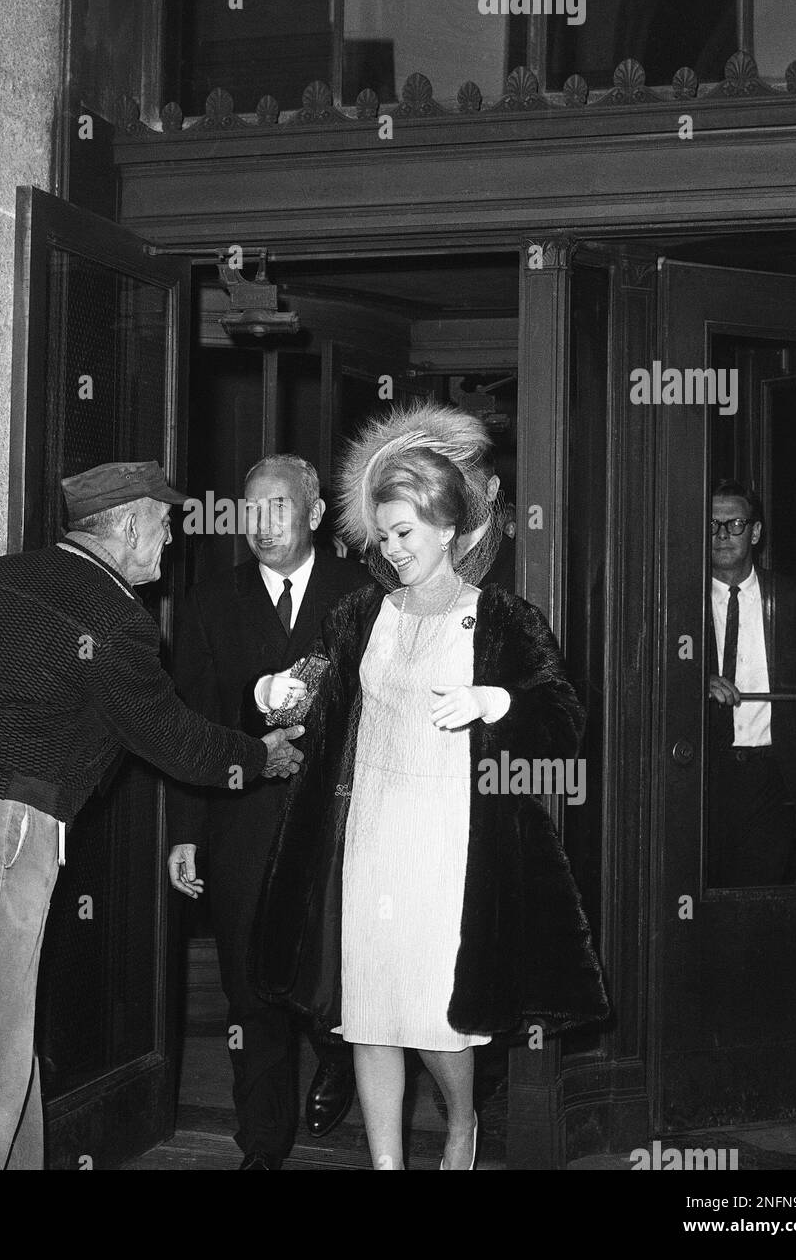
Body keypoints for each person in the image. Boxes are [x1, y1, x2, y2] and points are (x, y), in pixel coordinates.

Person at [0, 461, 305, 1171]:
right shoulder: (114, 618)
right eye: (165, 522)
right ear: (127, 525)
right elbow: (174, 738)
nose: (173, 539)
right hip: (8, 833)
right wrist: (260, 755)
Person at [248, 402, 608, 1170]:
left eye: (406, 533)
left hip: (453, 840)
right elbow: (312, 690)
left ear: (449, 527)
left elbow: (564, 718)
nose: (393, 550)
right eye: (383, 537)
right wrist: (273, 691)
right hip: (370, 832)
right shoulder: (359, 616)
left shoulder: (503, 619)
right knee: (370, 1012)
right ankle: (386, 1165)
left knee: (439, 1016)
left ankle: (459, 1124)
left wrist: (496, 701)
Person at [167, 454, 369, 1169]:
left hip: (339, 822)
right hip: (243, 821)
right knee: (250, 989)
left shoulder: (363, 594)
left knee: (332, 971)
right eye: (249, 511)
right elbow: (190, 721)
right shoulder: (208, 602)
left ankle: (339, 1052)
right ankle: (261, 1144)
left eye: (277, 508)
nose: (261, 524)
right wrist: (187, 834)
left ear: (314, 514)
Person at [706, 480, 796, 886]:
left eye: (734, 523)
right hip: (703, 774)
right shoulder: (678, 599)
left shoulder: (791, 600)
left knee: (755, 901)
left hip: (772, 779)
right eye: (713, 524)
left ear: (755, 532)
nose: (722, 535)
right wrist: (695, 681)